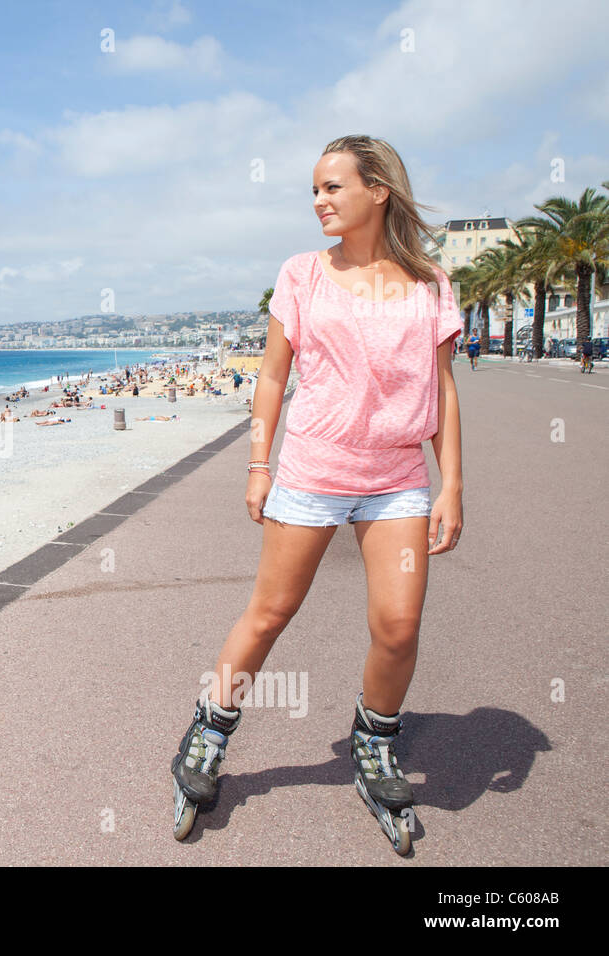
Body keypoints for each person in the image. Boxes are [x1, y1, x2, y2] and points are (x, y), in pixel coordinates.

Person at [170, 135, 464, 856]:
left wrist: (451, 483)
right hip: (310, 473)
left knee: (398, 627)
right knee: (270, 613)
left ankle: (374, 744)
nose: (319, 201)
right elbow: (272, 377)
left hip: (397, 479)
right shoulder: (302, 275)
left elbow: (444, 390)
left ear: (378, 191)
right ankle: (209, 732)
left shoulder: (428, 281)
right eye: (314, 189)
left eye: (333, 187)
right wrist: (258, 463)